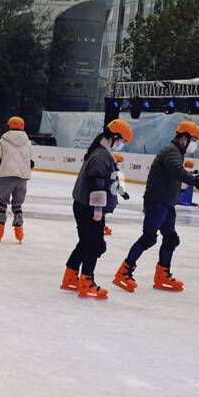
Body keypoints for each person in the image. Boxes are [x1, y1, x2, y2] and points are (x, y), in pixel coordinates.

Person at [113, 121, 199, 293]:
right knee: (148, 238)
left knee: (171, 239)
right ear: (184, 138)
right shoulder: (171, 151)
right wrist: (197, 182)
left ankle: (162, 274)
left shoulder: (176, 151)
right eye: (194, 140)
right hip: (156, 203)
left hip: (166, 204)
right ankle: (123, 272)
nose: (194, 144)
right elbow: (177, 171)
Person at [63, 119, 133, 298]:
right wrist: (97, 208)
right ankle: (86, 281)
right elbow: (97, 182)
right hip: (89, 206)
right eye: (122, 141)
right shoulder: (101, 155)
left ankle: (70, 276)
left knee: (86, 242)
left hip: (84, 205)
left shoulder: (101, 152)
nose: (121, 145)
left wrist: (120, 192)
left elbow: (109, 179)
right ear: (115, 137)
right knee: (94, 244)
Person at [0, 116, 33, 243]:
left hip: (6, 176)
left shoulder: (3, 140)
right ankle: (19, 231)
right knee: (18, 205)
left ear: (9, 126)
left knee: (2, 203)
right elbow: (31, 162)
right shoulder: (28, 142)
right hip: (22, 178)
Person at [102, 151, 130, 236]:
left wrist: (123, 193)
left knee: (102, 213)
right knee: (102, 212)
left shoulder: (114, 171)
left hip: (108, 196)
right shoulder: (109, 170)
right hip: (106, 196)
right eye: (117, 163)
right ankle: (100, 227)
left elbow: (116, 185)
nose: (118, 165)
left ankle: (101, 227)